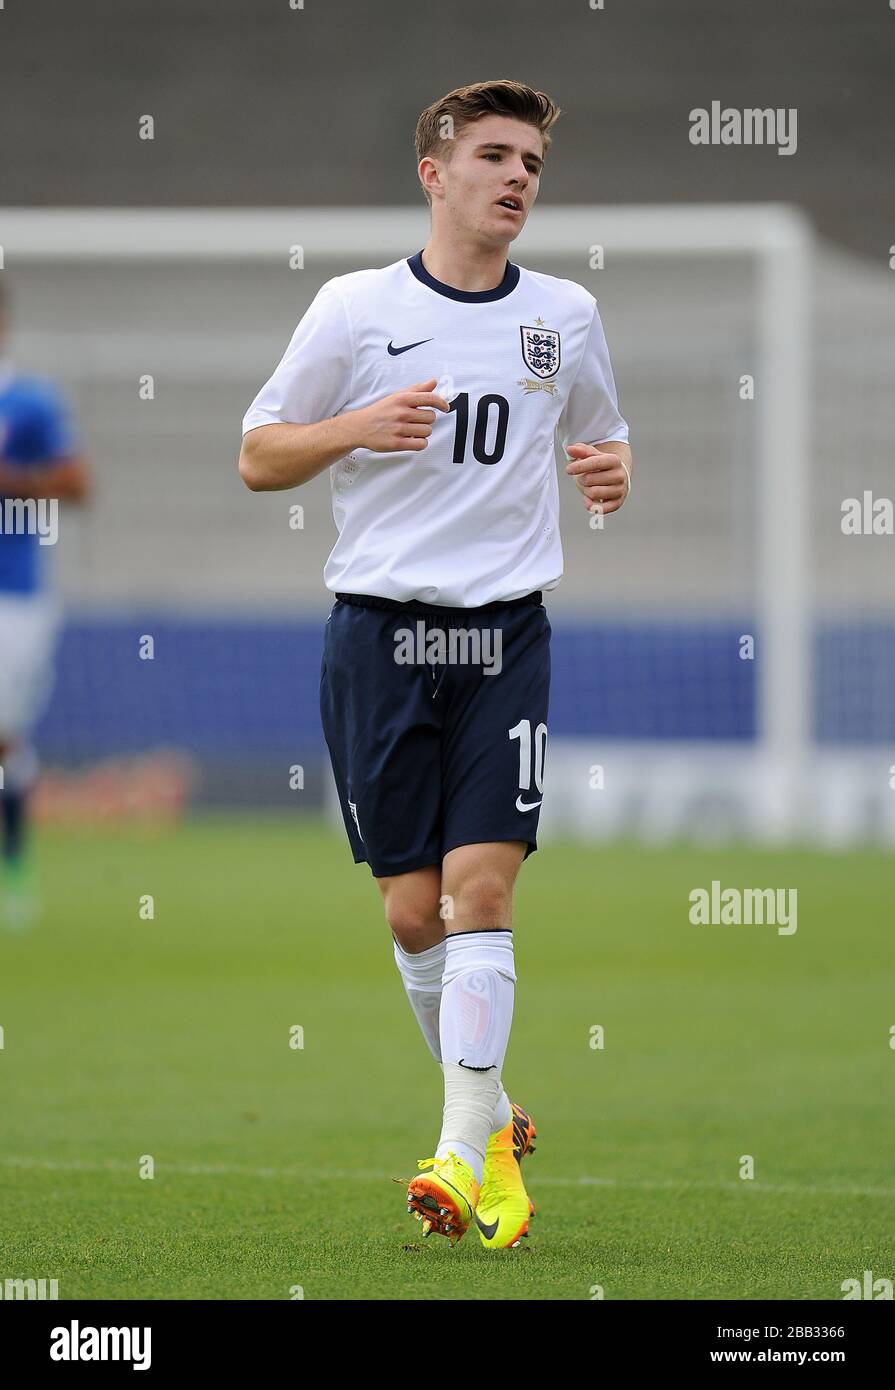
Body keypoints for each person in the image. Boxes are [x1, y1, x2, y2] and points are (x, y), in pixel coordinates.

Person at [240, 79, 632, 1249]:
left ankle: (461, 1153)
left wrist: (607, 474)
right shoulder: (354, 309)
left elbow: (598, 433)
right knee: (415, 914)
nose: (518, 178)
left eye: (533, 165)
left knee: (483, 893)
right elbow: (260, 456)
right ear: (436, 172)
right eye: (496, 157)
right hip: (380, 638)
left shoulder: (564, 313)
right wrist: (352, 427)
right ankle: (497, 1117)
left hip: (502, 635)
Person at [0, 283, 90, 928]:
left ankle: (13, 873)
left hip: (13, 595)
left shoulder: (28, 401)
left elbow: (76, 481)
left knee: (4, 738)